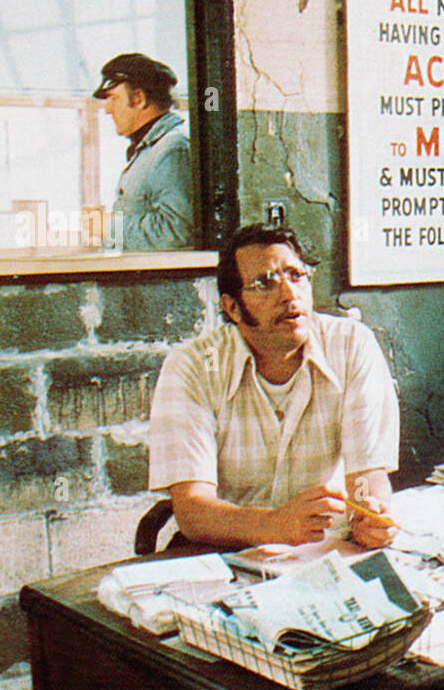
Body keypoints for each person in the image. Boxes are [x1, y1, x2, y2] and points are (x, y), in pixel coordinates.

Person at [148, 224, 399, 549]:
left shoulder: (350, 345)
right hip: (226, 550)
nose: (289, 294)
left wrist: (371, 513)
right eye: (265, 284)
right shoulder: (195, 365)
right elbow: (193, 510)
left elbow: (367, 475)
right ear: (232, 308)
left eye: (297, 276)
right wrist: (275, 525)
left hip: (323, 548)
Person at [93, 52, 194, 250]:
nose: (107, 109)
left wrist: (109, 227)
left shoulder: (172, 150)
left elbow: (176, 231)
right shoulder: (150, 150)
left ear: (139, 98)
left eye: (113, 98)